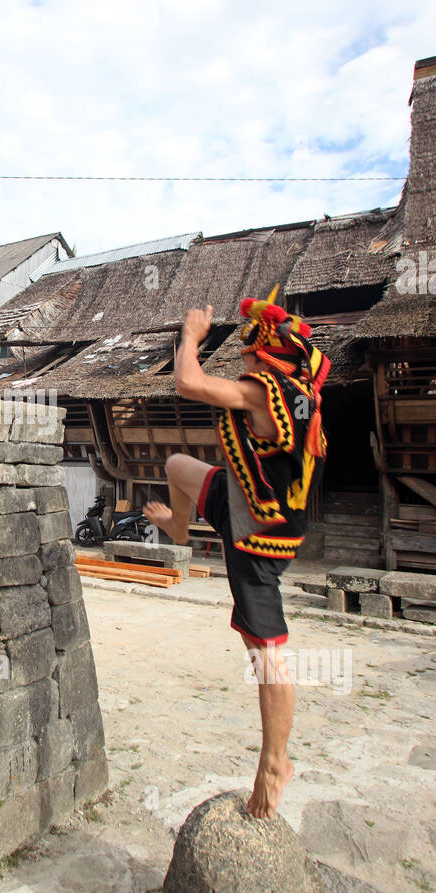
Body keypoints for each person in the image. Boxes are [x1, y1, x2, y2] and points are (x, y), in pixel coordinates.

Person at [145, 289, 330, 820]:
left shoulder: (263, 391)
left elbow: (188, 383)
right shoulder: (300, 391)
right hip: (243, 496)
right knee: (178, 464)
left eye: (248, 353)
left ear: (265, 356)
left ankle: (276, 764)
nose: (243, 358)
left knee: (264, 652)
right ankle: (179, 530)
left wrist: (191, 339)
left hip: (258, 535)